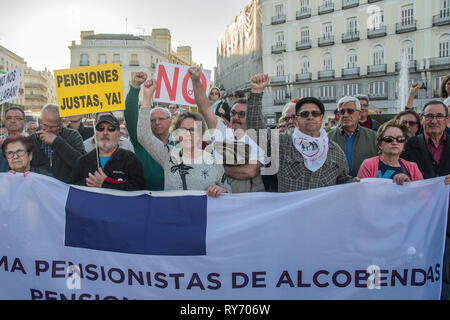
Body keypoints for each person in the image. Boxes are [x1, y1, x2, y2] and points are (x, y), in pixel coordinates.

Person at [246, 73, 352, 191]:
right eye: (304, 114)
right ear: (297, 119)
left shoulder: (335, 151)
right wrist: (256, 93)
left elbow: (342, 181)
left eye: (315, 114)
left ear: (321, 118)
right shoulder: (282, 144)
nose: (310, 117)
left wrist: (354, 183)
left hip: (323, 209)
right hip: (290, 209)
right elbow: (256, 131)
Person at [137, 79, 230, 197]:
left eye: (192, 130)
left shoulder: (214, 161)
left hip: (201, 215)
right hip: (173, 214)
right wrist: (146, 97)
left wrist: (223, 191)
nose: (187, 134)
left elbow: (228, 191)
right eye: (183, 130)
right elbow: (143, 136)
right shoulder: (168, 155)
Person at [401, 100, 450, 300]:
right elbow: (399, 168)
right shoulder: (410, 145)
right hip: (420, 219)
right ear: (422, 119)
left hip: (448, 221)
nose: (434, 120)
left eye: (439, 116)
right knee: (421, 271)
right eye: (429, 116)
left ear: (447, 119)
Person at [190, 67, 267, 193]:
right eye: (233, 113)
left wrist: (217, 168)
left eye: (241, 114)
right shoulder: (221, 131)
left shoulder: (258, 137)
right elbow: (204, 108)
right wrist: (196, 80)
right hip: (220, 199)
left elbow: (250, 171)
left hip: (248, 203)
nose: (235, 117)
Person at [124, 72, 171, 191]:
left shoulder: (181, 144)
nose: (157, 122)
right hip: (146, 200)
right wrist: (135, 87)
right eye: (152, 120)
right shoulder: (141, 143)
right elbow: (130, 115)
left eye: (161, 119)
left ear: (170, 121)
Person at [72, 113, 145, 191]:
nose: (105, 132)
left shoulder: (130, 159)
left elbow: (139, 188)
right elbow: (71, 188)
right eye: (100, 128)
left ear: (119, 135)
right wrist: (88, 183)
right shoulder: (83, 161)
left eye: (111, 129)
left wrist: (106, 183)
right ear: (95, 133)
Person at [28, 104, 86, 183]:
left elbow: (82, 164)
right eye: (45, 125)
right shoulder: (30, 140)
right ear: (40, 121)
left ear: (61, 124)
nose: (48, 130)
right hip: (40, 188)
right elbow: (26, 167)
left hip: (66, 188)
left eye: (52, 127)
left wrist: (56, 141)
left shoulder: (73, 136)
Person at [357, 119, 423, 184]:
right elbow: (363, 191)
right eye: (389, 139)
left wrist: (409, 183)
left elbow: (420, 192)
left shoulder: (412, 167)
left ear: (404, 144)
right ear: (380, 144)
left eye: (400, 139)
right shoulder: (368, 165)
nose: (395, 142)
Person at [328, 96, 378, 177]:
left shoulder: (374, 137)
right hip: (337, 186)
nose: (345, 115)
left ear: (359, 114)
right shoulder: (327, 138)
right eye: (342, 112)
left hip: (364, 185)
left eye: (350, 111)